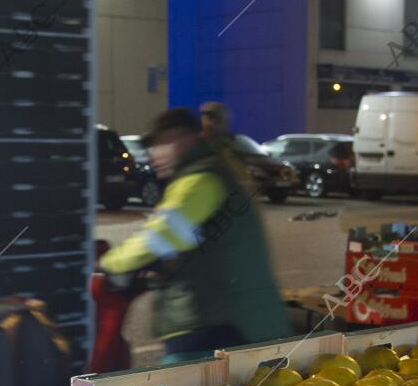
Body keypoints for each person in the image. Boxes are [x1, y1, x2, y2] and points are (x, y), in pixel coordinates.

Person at [100, 107, 290, 363]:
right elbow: (192, 239)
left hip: (219, 322)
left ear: (184, 138)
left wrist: (108, 264)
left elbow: (163, 235)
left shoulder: (201, 180)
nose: (153, 155)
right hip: (234, 318)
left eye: (161, 144)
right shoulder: (212, 170)